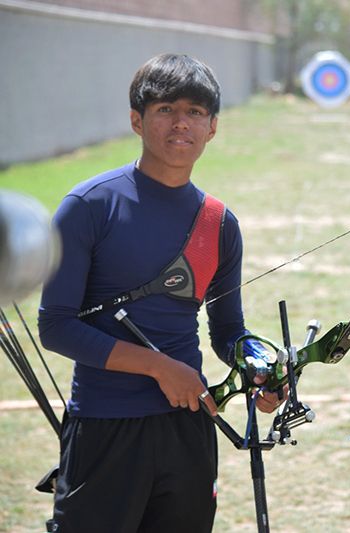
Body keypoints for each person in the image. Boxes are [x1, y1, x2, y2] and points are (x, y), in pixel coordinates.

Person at [38, 53, 284, 533]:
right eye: (166, 109)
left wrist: (259, 366)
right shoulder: (88, 206)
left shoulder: (219, 223)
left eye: (195, 111)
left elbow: (228, 331)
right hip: (106, 425)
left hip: (188, 425)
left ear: (212, 127)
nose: (181, 123)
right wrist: (158, 366)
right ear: (137, 120)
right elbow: (56, 326)